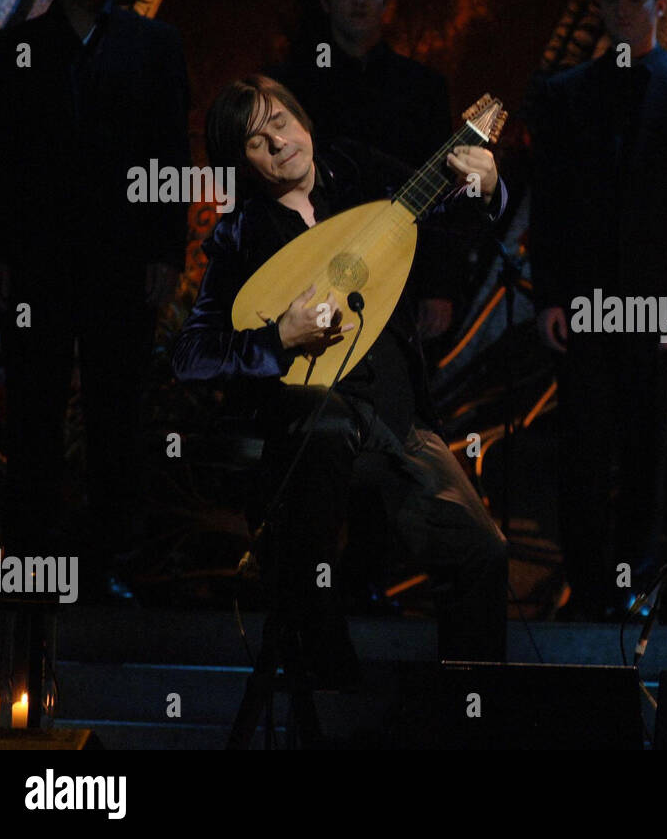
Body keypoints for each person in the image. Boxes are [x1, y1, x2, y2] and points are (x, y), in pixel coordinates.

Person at [172, 75, 508, 671]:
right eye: (255, 141)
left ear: (302, 120)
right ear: (240, 162)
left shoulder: (359, 172)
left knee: (481, 550)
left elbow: (451, 224)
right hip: (315, 422)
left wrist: (487, 188)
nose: (277, 144)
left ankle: (471, 706)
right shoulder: (242, 236)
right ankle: (319, 658)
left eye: (279, 122)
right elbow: (194, 356)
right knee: (324, 430)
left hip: (398, 416)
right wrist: (279, 338)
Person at [0, 0, 190, 597]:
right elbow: (1, 157)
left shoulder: (154, 48)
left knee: (116, 414)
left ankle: (107, 565)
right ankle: (36, 561)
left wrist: (167, 249)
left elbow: (170, 151)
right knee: (34, 414)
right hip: (39, 259)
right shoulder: (17, 50)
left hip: (123, 261)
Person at [528, 0, 667, 620]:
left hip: (658, 300)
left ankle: (634, 583)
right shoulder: (562, 94)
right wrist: (549, 294)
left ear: (661, 3)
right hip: (584, 298)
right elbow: (549, 206)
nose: (620, 10)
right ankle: (587, 588)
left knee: (647, 446)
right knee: (583, 446)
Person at [268, 0, 458, 343]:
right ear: (325, 1)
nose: (359, 0)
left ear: (386, 0)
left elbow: (442, 187)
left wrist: (438, 286)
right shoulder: (291, 86)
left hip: (400, 273)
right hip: (310, 269)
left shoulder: (423, 89)